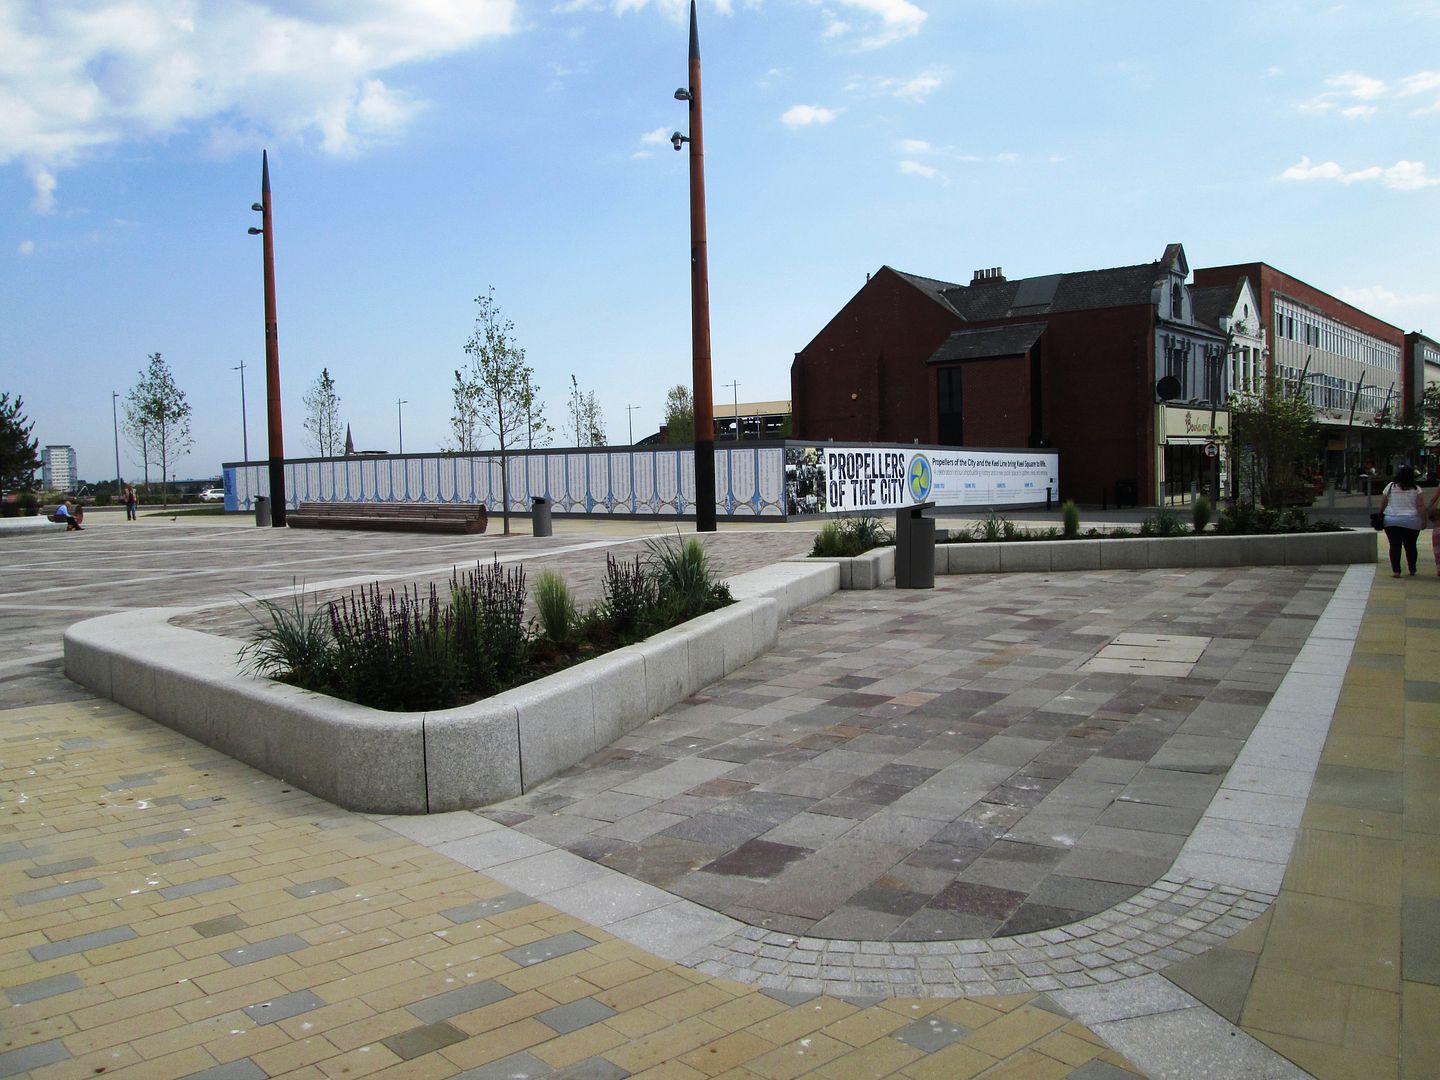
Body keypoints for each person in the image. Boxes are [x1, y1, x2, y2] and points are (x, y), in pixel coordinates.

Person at [1379, 465, 1422, 577]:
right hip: (1411, 520)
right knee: (1411, 545)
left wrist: (1380, 514)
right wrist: (1424, 519)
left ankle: (1396, 571)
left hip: (1391, 520)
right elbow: (1420, 506)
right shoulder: (1417, 489)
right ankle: (1412, 569)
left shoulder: (1390, 486)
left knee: (1394, 545)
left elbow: (1383, 503)